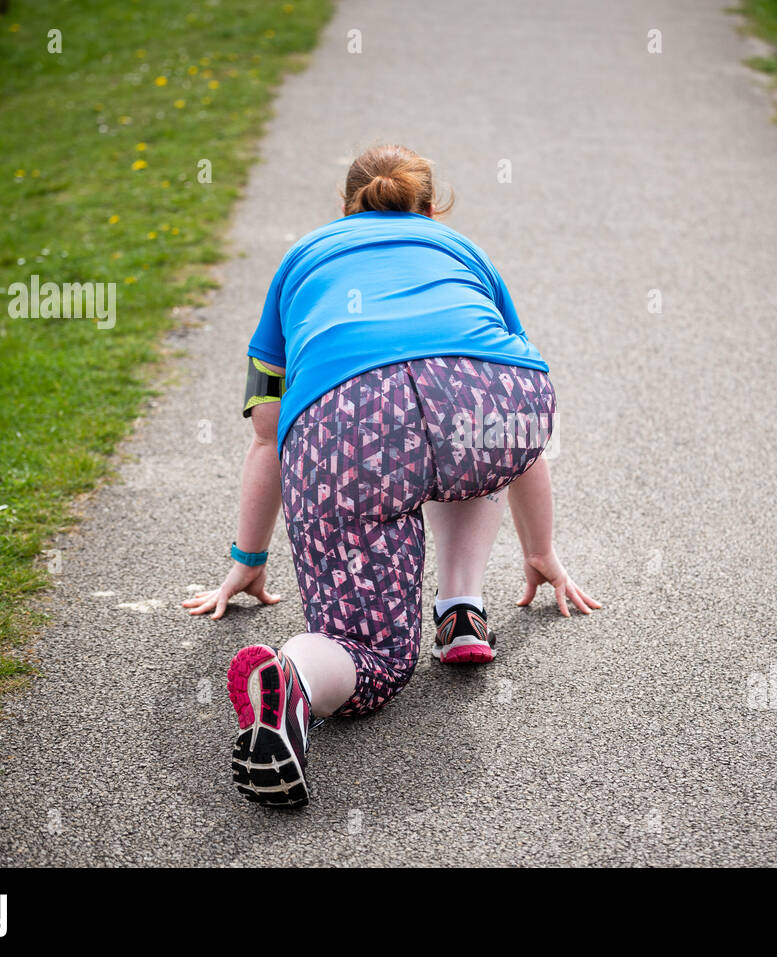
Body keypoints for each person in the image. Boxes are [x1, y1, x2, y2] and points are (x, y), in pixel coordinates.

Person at [182, 144, 599, 807]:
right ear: (430, 209)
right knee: (468, 444)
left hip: (349, 423)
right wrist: (541, 552)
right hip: (491, 399)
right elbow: (509, 411)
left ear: (346, 210)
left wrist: (248, 557)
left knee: (366, 649)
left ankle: (290, 680)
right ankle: (462, 606)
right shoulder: (461, 249)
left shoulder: (302, 259)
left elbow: (266, 437)